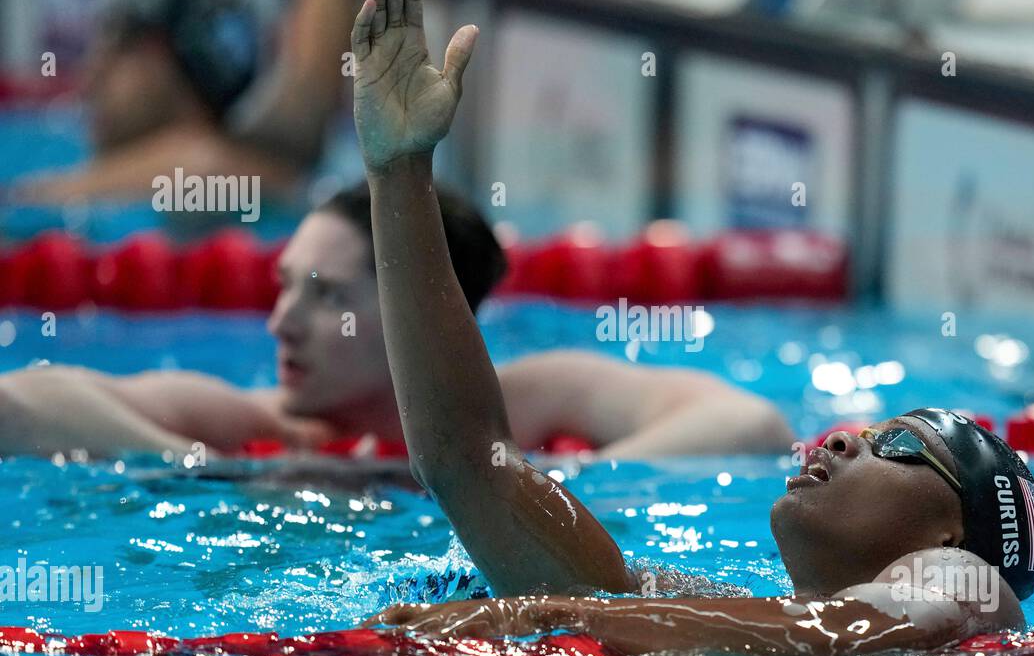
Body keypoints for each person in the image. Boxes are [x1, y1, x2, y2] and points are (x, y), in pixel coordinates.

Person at [350, 0, 1034, 656]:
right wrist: (400, 176)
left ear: (947, 528)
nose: (844, 435)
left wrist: (544, 616)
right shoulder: (689, 607)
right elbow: (473, 465)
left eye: (899, 448)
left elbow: (838, 635)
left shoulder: (962, 586)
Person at [0, 179, 795, 461]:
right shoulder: (267, 428)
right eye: (283, 288)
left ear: (427, 317)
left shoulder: (522, 403)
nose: (280, 323)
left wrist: (550, 489)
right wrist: (199, 466)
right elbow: (24, 403)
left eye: (327, 297)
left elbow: (750, 422)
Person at [12, 0, 409, 207]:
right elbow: (307, 93)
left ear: (161, 64)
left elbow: (207, 156)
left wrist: (33, 198)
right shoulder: (258, 162)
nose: (92, 77)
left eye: (118, 53)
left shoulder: (199, 166)